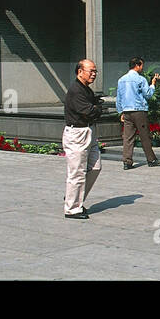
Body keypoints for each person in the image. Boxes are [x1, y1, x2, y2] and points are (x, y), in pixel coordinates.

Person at [62, 59, 102, 220]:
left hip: (88, 131)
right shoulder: (76, 90)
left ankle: (74, 198)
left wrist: (95, 107)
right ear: (80, 71)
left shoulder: (86, 89)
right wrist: (96, 108)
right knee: (76, 172)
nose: (94, 74)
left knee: (96, 167)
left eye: (95, 71)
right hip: (76, 133)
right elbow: (88, 111)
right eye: (90, 71)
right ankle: (72, 208)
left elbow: (94, 107)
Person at [116, 57, 160, 170]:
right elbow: (148, 94)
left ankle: (127, 161)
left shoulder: (121, 80)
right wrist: (153, 84)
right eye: (141, 65)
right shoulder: (140, 79)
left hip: (126, 111)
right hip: (139, 110)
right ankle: (151, 159)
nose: (142, 68)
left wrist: (120, 111)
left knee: (127, 137)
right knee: (144, 135)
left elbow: (119, 97)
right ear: (137, 65)